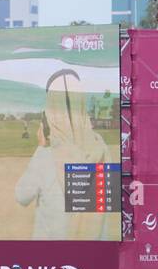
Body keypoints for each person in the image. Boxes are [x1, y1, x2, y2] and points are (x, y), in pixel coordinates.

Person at [14, 69, 112, 241]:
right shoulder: (102, 149)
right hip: (93, 256)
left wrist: (41, 147)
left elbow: (21, 196)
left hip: (52, 260)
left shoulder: (46, 157)